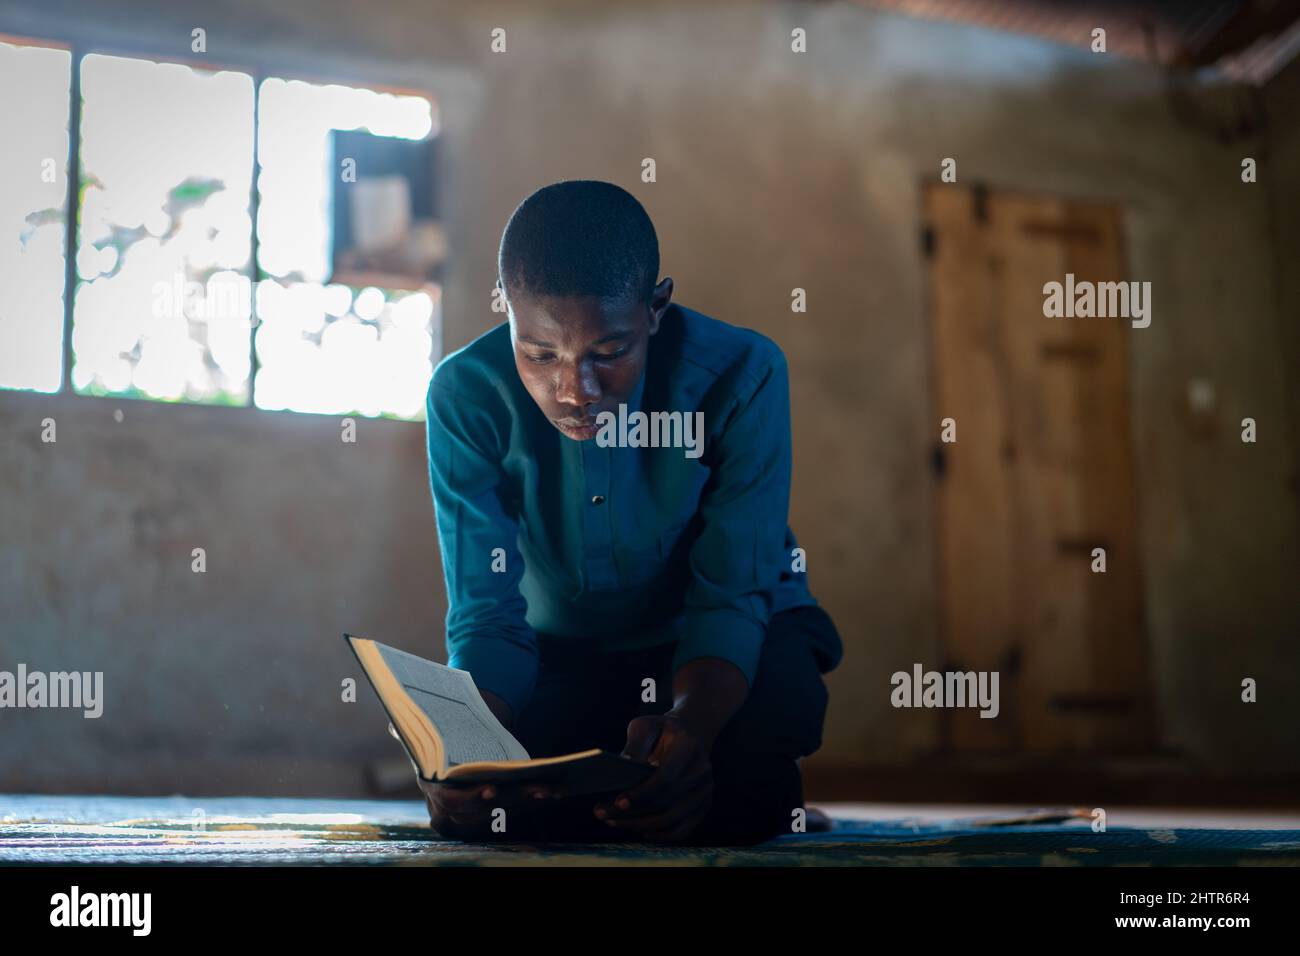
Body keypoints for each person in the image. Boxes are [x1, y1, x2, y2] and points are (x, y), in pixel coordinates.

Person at [420, 179, 842, 845]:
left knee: (752, 774)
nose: (573, 390)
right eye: (538, 353)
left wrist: (692, 729)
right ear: (506, 313)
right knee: (507, 804)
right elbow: (486, 616)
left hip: (714, 645)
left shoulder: (745, 373)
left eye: (608, 353)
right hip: (565, 653)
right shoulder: (463, 395)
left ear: (655, 308)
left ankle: (741, 778)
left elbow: (733, 594)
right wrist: (463, 754)